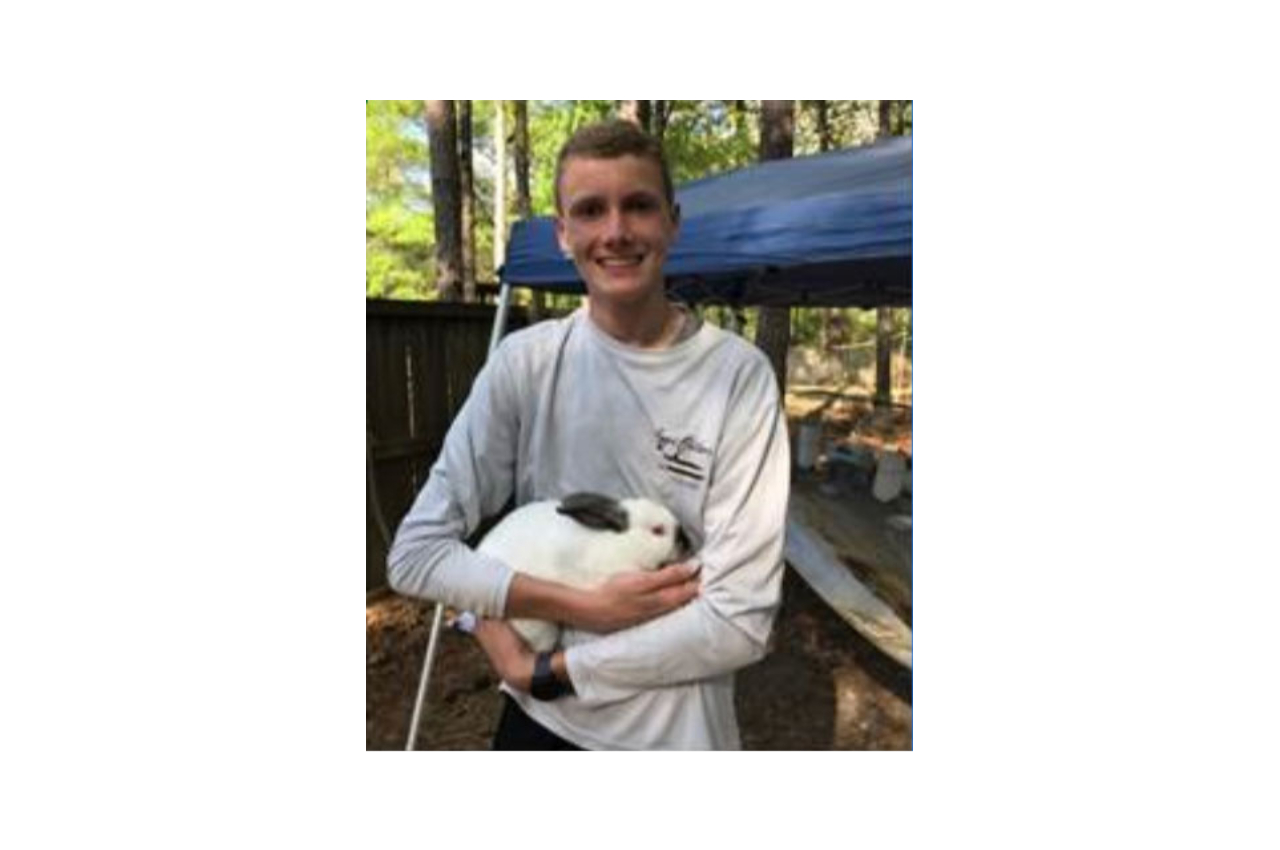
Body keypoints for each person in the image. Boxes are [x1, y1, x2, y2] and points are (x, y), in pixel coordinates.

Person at [387, 120, 789, 750]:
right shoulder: (526, 364)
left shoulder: (737, 378)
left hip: (674, 737)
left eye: (639, 206)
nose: (616, 231)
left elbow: (741, 621)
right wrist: (539, 615)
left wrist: (549, 668)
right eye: (590, 210)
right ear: (563, 233)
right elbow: (416, 555)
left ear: (674, 222)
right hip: (541, 726)